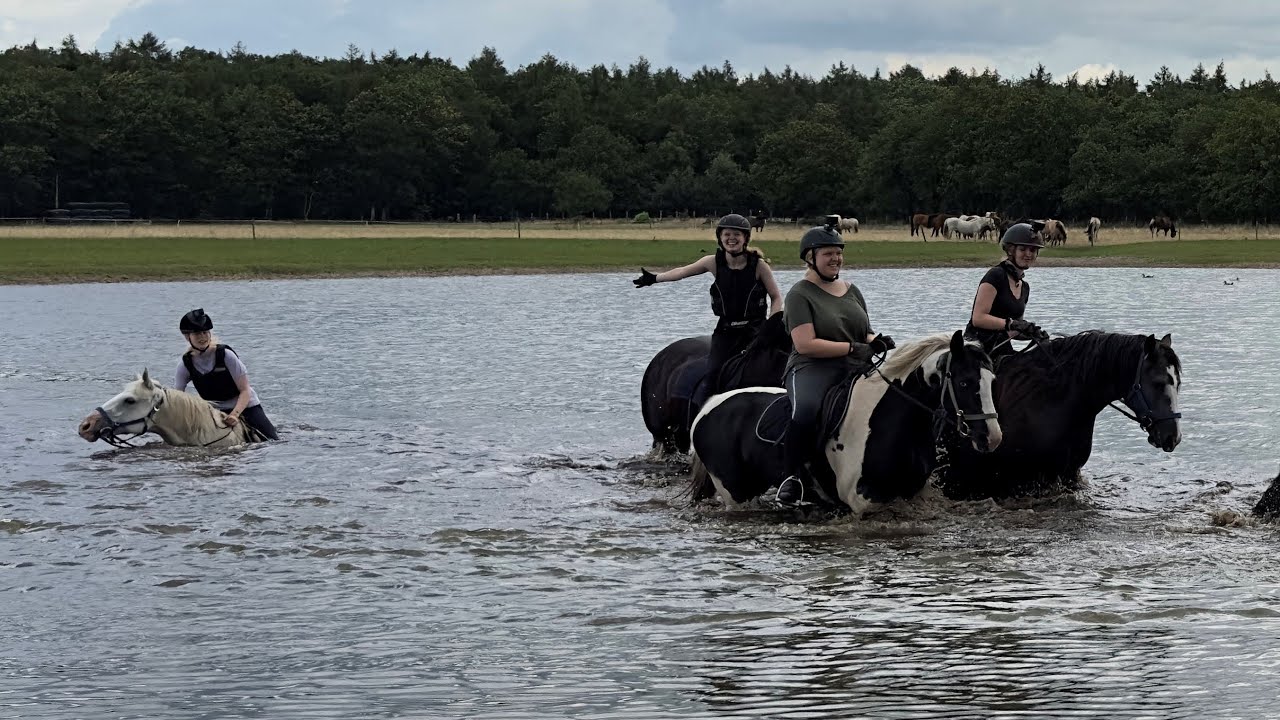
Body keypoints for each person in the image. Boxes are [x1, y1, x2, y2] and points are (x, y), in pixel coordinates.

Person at [778, 217, 895, 506]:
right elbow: (805, 344)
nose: (836, 259)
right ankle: (792, 477)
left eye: (838, 253)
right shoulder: (798, 295)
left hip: (855, 365)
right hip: (811, 367)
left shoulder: (852, 290)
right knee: (805, 413)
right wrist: (851, 348)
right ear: (810, 258)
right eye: (828, 253)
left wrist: (876, 340)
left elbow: (864, 331)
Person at [632, 213, 783, 392]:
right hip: (726, 332)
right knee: (712, 375)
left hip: (755, 331)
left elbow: (776, 297)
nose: (731, 239)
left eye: (737, 235)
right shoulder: (712, 262)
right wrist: (654, 278)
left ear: (745, 238)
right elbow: (682, 271)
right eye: (727, 234)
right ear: (720, 238)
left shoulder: (759, 266)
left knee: (775, 368)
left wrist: (770, 326)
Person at [175, 308, 279, 440]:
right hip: (213, 411)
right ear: (187, 337)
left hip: (245, 406)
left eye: (205, 332)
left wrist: (235, 414)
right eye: (197, 334)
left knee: (272, 440)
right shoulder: (185, 364)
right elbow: (179, 397)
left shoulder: (226, 355)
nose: (202, 337)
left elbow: (245, 390)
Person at [965, 222, 1051, 361]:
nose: (1028, 254)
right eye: (1023, 249)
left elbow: (1014, 331)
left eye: (1033, 250)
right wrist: (1010, 324)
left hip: (1001, 350)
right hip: (977, 349)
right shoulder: (996, 275)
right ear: (1011, 250)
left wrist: (1031, 332)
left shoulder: (1024, 287)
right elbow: (978, 318)